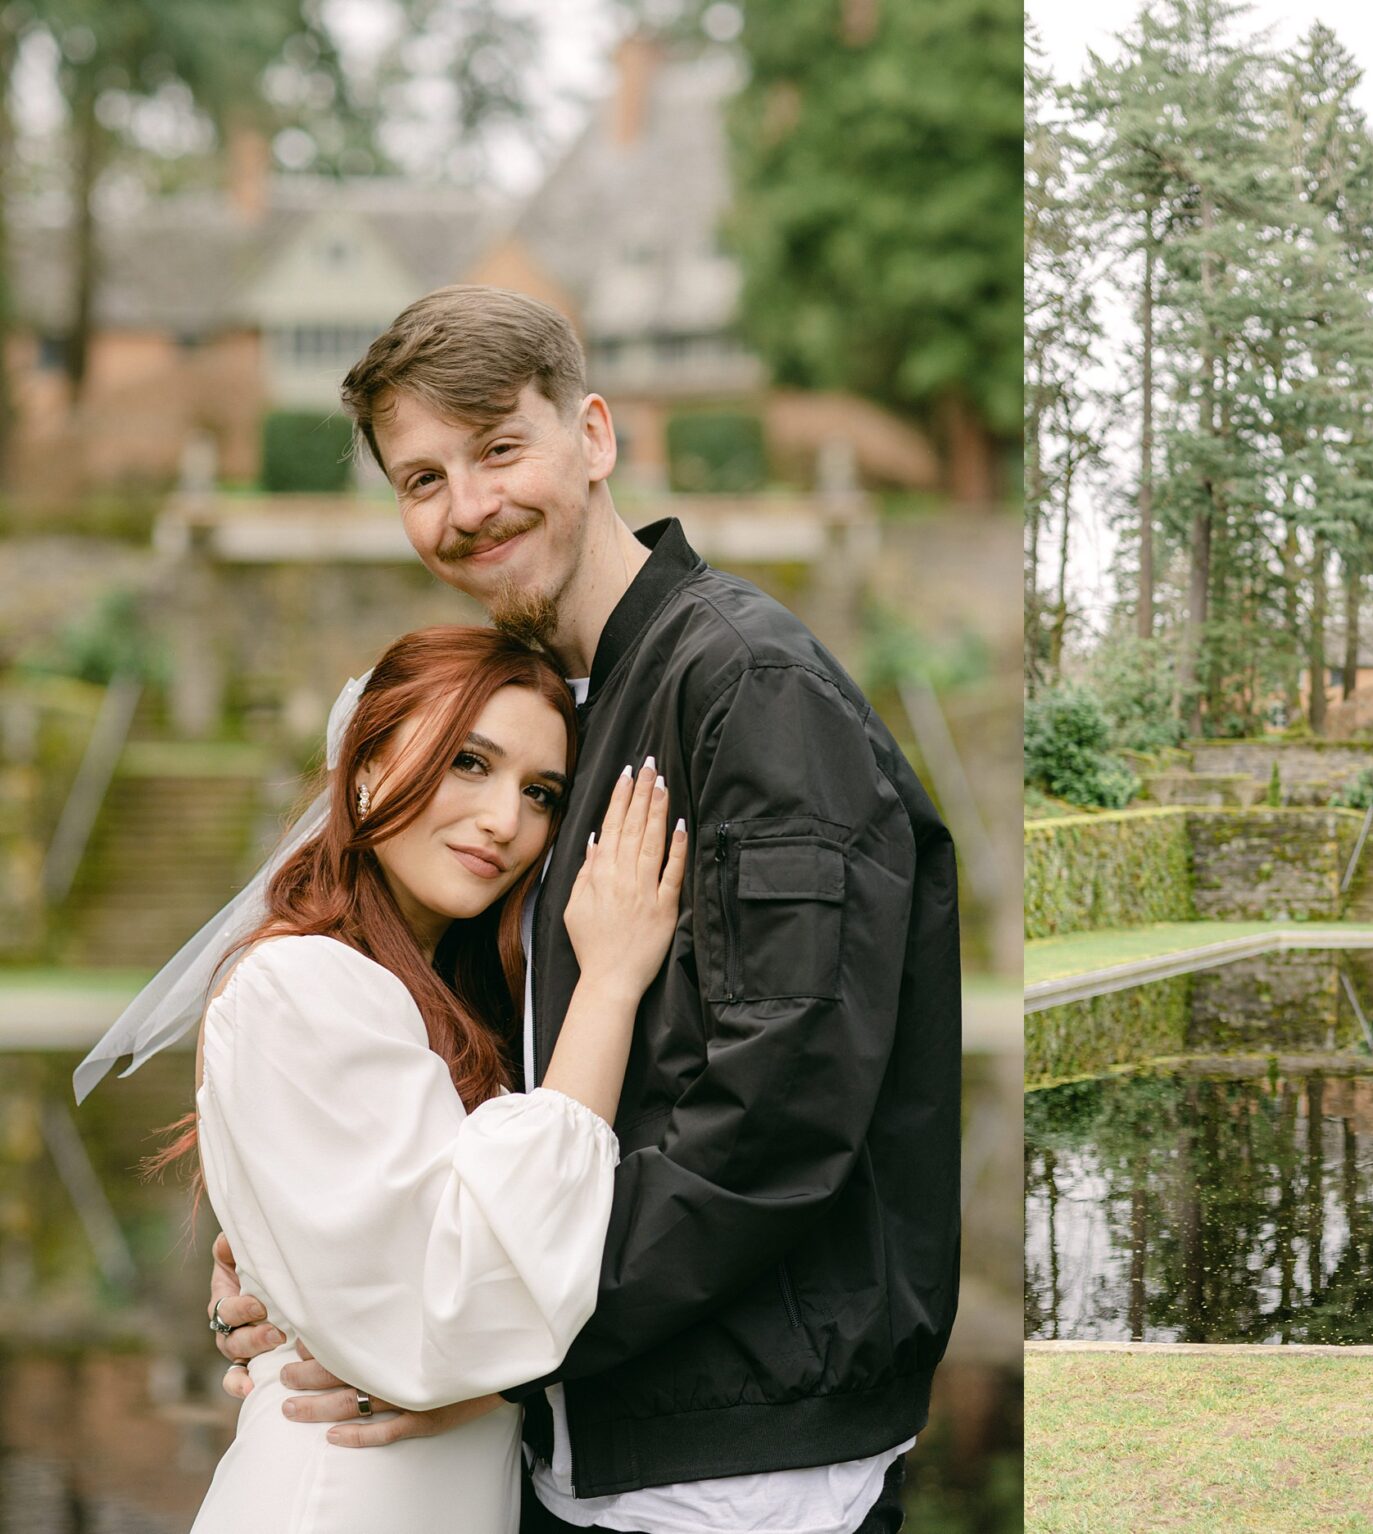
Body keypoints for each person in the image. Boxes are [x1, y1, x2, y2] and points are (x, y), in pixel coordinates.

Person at [208, 286, 959, 1533]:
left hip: (733, 1470)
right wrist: (319, 1267)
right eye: (421, 477)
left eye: (499, 448)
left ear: (594, 436)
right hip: (588, 1442)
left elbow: (780, 1105)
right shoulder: (563, 711)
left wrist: (477, 1334)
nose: (467, 506)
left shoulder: (747, 687)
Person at [81, 625, 688, 1532]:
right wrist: (609, 981)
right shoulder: (298, 984)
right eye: (469, 763)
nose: (504, 822)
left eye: (540, 793)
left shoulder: (455, 998)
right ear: (366, 764)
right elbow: (451, 1303)